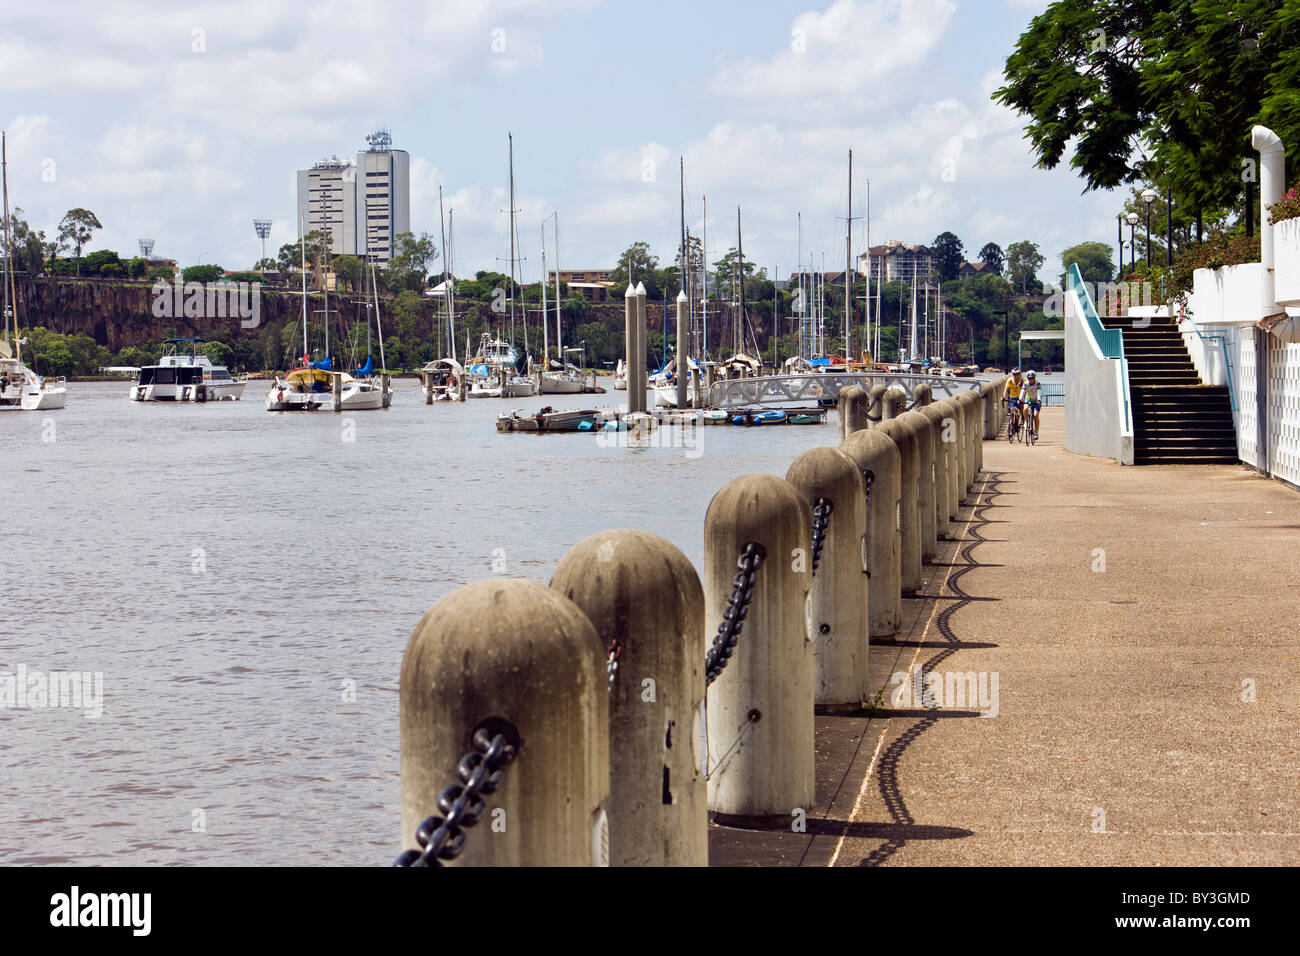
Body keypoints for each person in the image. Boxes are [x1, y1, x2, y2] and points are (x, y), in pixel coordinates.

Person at [1002, 368, 1025, 432]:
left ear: (1019, 374)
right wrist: (1004, 397)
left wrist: (1024, 398)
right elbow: (1006, 389)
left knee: (1021, 408)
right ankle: (1012, 427)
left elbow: (1026, 391)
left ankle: (1022, 418)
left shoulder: (1023, 381)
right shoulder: (1010, 380)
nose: (1016, 376)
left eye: (1017, 374)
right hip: (1012, 397)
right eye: (1014, 374)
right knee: (1012, 410)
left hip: (1020, 397)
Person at [1022, 370, 1042, 435]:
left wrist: (1039, 399)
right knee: (1025, 409)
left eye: (1032, 378)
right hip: (1028, 399)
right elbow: (1022, 392)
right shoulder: (1026, 383)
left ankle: (1036, 431)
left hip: (1036, 400)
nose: (1031, 379)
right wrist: (1020, 398)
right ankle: (1025, 422)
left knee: (1036, 415)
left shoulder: (1038, 383)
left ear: (1034, 377)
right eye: (1029, 378)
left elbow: (1039, 392)